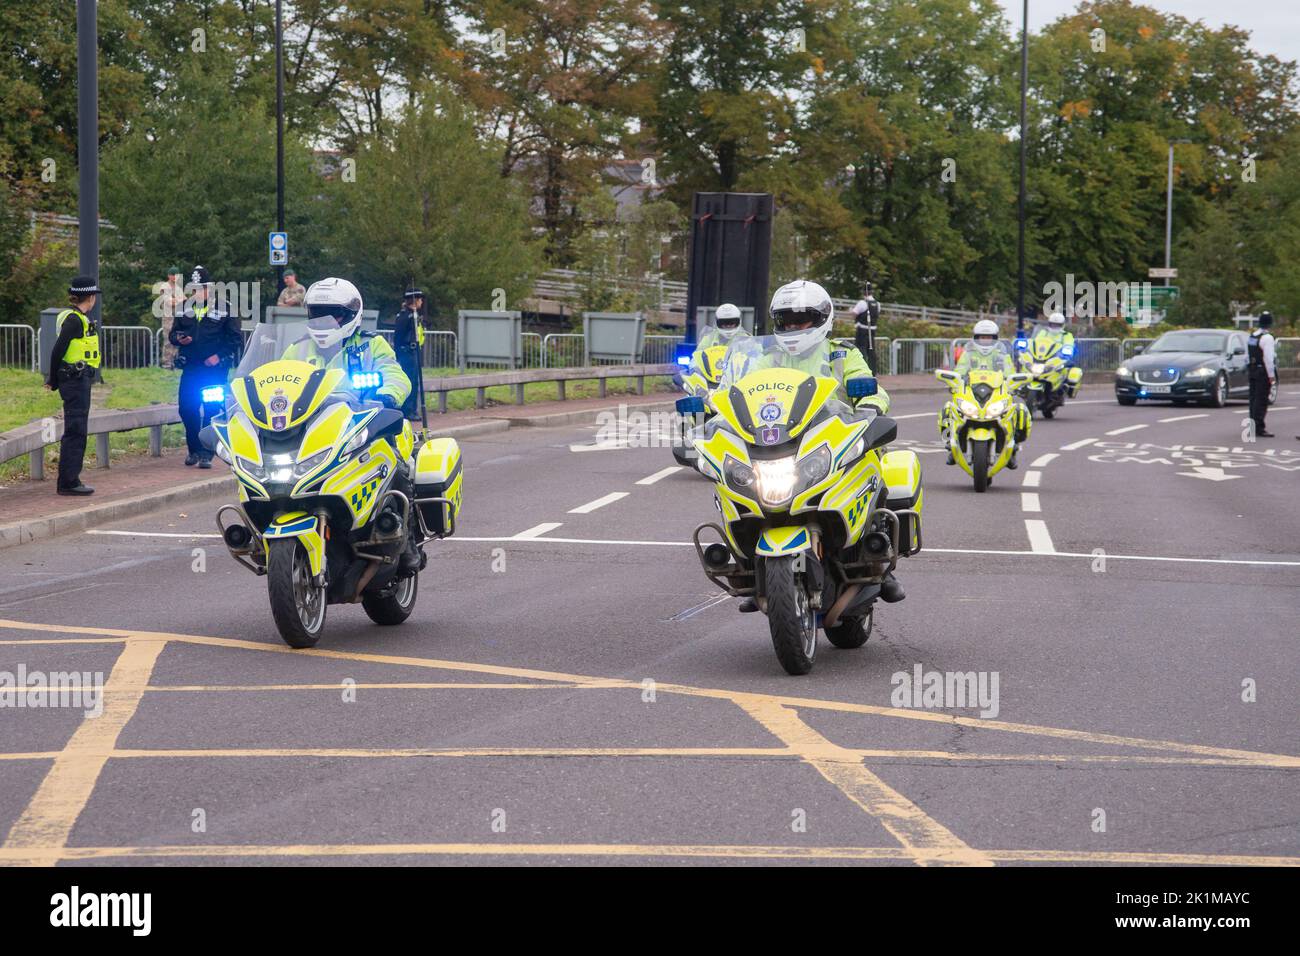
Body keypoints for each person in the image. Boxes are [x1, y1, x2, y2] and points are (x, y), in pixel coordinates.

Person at [723, 279, 898, 611]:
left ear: (822, 319)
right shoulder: (767, 358)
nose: (793, 327)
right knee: (742, 489)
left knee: (875, 472)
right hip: (780, 443)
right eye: (786, 321)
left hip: (832, 440)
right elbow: (740, 392)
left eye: (801, 320)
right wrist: (721, 414)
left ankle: (881, 561)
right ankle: (752, 571)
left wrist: (872, 404)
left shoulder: (842, 354)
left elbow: (873, 389)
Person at [285, 277, 418, 569]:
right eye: (318, 313)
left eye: (333, 314)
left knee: (395, 463)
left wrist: (386, 394)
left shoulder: (372, 345)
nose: (325, 321)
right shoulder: (297, 349)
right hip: (311, 431)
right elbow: (276, 380)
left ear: (350, 314)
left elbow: (396, 375)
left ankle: (406, 542)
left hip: (362, 426)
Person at [171, 265, 242, 469]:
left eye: (201, 288)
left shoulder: (225, 307)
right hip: (191, 368)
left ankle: (206, 452)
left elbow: (235, 338)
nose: (197, 292)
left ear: (209, 288)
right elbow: (173, 334)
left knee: (211, 409)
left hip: (214, 370)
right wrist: (179, 339)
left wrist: (218, 356)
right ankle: (193, 450)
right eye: (194, 289)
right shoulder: (183, 307)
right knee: (187, 408)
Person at [940, 319, 1028, 468]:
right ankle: (951, 445)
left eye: (988, 337)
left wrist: (1014, 383)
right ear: (976, 338)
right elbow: (960, 371)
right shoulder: (968, 354)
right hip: (972, 392)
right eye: (982, 337)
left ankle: (1013, 448)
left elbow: (1010, 373)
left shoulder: (1002, 356)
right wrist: (955, 381)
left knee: (1019, 411)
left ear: (995, 338)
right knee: (948, 409)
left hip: (996, 393)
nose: (985, 341)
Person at [43, 276, 102, 496]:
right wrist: (53, 380)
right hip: (74, 380)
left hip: (77, 378)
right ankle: (68, 482)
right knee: (76, 430)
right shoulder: (75, 320)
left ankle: (70, 479)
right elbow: (58, 349)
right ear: (91, 297)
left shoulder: (78, 318)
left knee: (77, 429)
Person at [392, 287, 426, 419]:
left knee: (414, 381)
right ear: (415, 300)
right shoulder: (406, 316)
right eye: (419, 299)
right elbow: (399, 336)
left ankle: (412, 409)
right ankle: (408, 411)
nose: (421, 301)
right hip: (407, 352)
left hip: (414, 352)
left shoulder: (415, 315)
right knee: (410, 382)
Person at [1247, 311, 1277, 438]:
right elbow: (1268, 359)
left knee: (1253, 399)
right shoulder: (1268, 338)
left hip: (1252, 369)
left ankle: (1252, 426)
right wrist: (1271, 376)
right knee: (1261, 399)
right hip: (1262, 371)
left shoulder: (1253, 336)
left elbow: (1248, 354)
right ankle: (1259, 427)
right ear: (1270, 323)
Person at [153, 267, 186, 369]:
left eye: (176, 275)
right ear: (169, 276)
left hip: (177, 317)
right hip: (168, 317)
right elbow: (169, 302)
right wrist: (178, 300)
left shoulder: (178, 288)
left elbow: (185, 301)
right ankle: (166, 364)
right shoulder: (165, 287)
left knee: (177, 340)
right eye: (173, 275)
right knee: (168, 341)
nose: (175, 277)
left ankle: (175, 363)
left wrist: (177, 300)